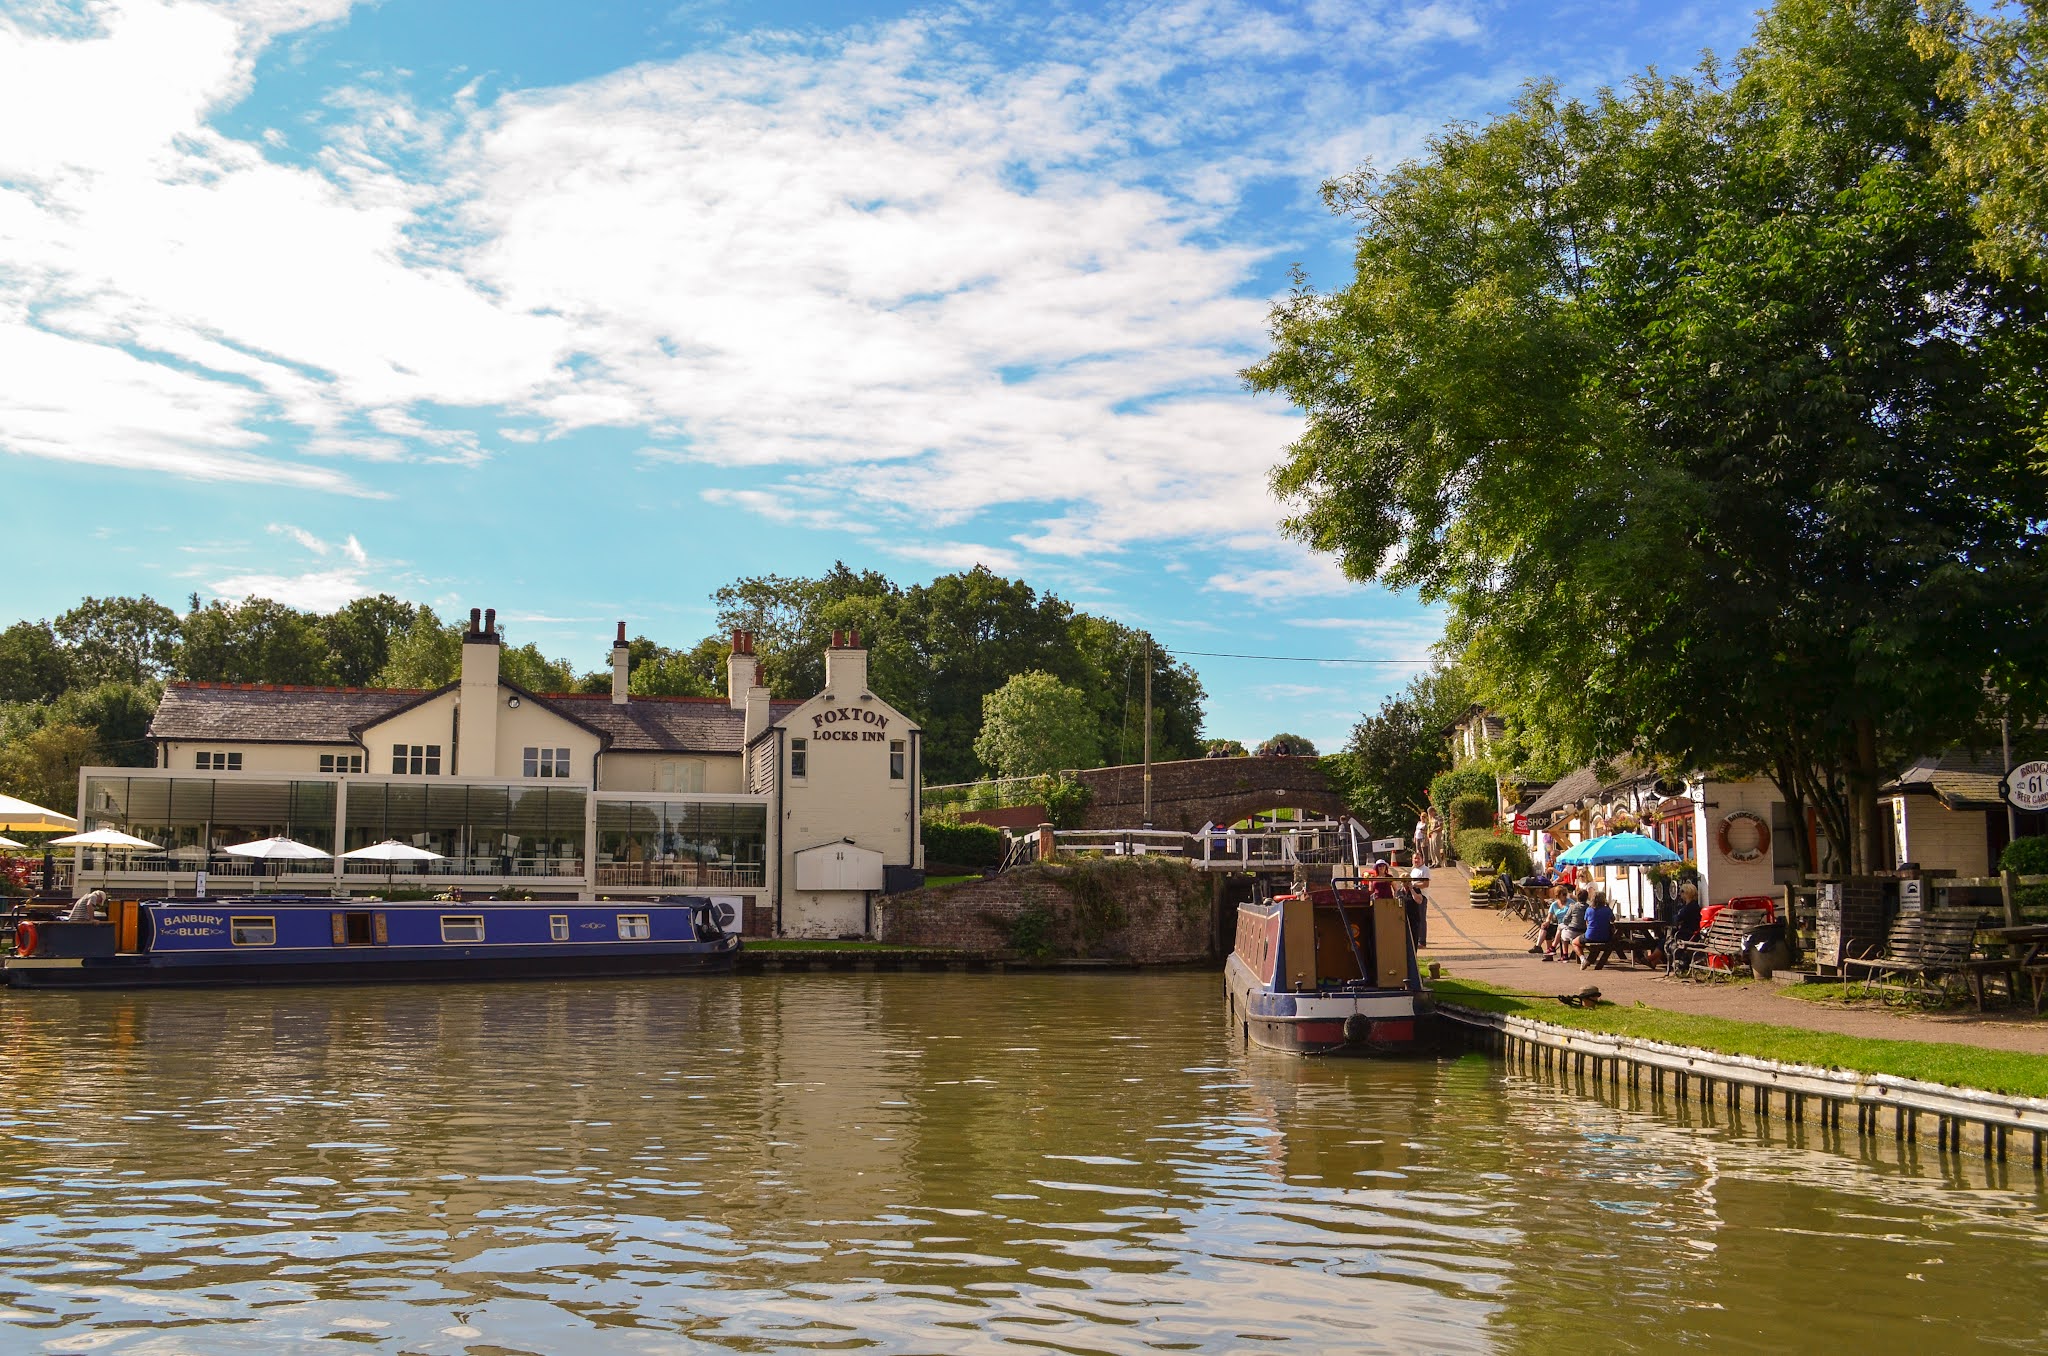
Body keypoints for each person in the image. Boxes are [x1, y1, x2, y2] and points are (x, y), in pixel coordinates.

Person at [1578, 890, 1614, 968]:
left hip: (1590, 935)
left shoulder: (1589, 909)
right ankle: (1590, 960)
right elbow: (1612, 920)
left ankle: (1583, 959)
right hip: (1605, 936)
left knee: (1574, 942)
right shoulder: (1607, 910)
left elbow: (1587, 924)